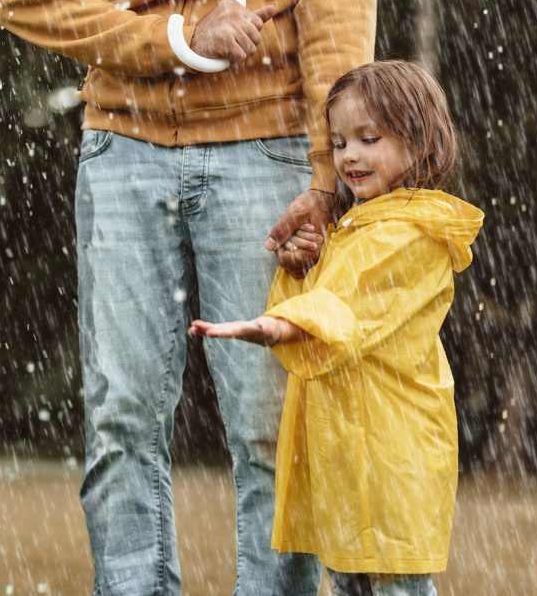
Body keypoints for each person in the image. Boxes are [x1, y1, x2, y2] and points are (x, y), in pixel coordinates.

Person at [0, 0, 376, 592]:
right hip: (123, 144)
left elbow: (338, 4)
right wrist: (177, 40)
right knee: (121, 423)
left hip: (267, 145)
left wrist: (328, 177)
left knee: (273, 431)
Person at [189, 60, 484, 596]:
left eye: (368, 139)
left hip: (392, 452)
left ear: (419, 144)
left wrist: (279, 325)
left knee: (396, 583)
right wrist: (299, 269)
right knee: (348, 578)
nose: (348, 156)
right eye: (339, 142)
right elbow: (328, 299)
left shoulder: (416, 234)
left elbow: (349, 311)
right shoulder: (352, 229)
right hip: (345, 453)